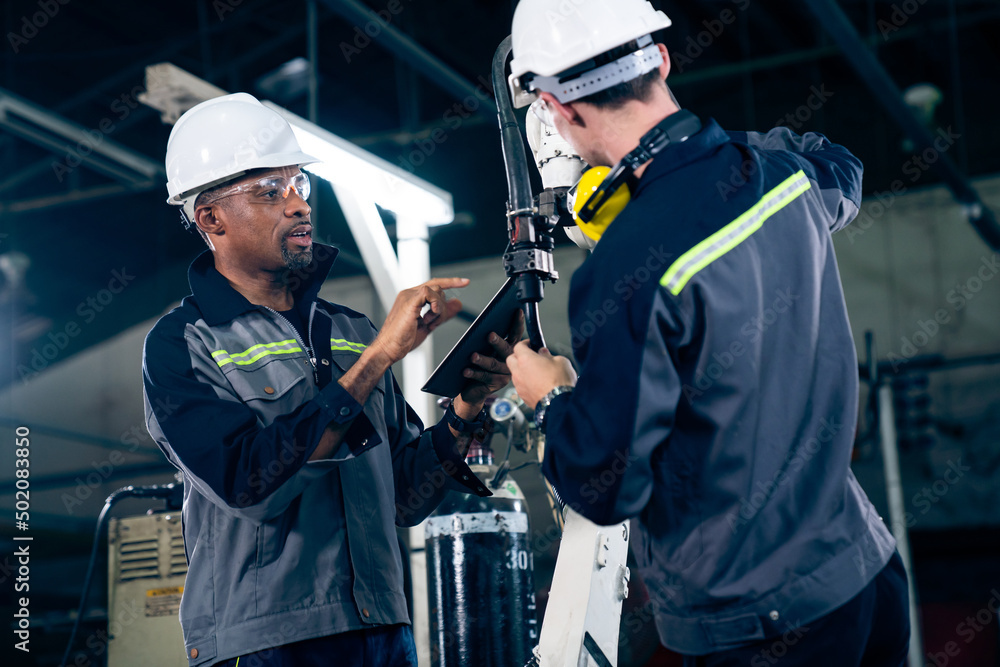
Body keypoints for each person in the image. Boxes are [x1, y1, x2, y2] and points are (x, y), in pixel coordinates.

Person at [504, 0, 910, 664]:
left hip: (760, 625)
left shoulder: (622, 269)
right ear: (661, 58)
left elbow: (606, 485)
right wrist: (693, 164)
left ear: (559, 110)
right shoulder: (785, 181)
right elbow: (837, 163)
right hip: (862, 575)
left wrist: (550, 397)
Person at [143, 93, 517, 667]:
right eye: (271, 191)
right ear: (210, 218)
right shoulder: (185, 343)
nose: (297, 205)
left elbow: (404, 499)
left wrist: (467, 406)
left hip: (383, 628)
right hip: (267, 643)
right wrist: (377, 361)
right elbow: (250, 485)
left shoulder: (351, 329)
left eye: (300, 186)